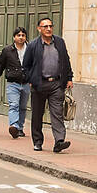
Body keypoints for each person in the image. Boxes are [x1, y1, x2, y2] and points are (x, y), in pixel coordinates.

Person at [22, 16, 72, 153]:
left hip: (56, 84)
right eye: (45, 27)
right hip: (39, 85)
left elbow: (66, 60)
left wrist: (69, 78)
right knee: (37, 115)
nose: (49, 29)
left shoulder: (60, 42)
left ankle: (59, 141)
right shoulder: (33, 45)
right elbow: (25, 66)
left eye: (50, 26)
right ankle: (38, 142)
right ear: (39, 29)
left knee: (57, 113)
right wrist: (30, 80)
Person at [0, 26, 31, 140]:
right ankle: (14, 126)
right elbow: (0, 66)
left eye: (23, 35)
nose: (21, 37)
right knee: (14, 105)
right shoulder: (7, 50)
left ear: (25, 37)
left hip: (26, 83)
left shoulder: (30, 49)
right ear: (14, 37)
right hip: (12, 83)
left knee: (23, 107)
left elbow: (35, 65)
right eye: (18, 35)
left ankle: (20, 128)